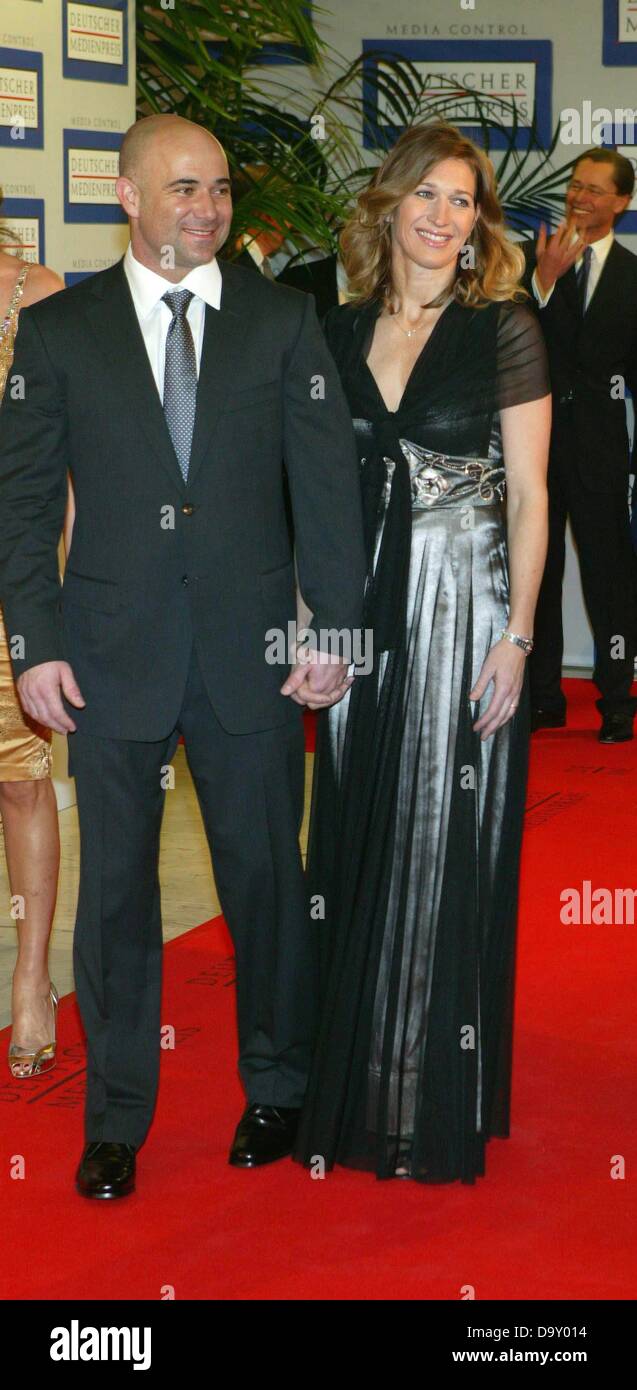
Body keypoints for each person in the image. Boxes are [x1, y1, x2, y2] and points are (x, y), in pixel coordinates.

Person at [0, 114, 366, 1199]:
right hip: (108, 656)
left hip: (254, 653)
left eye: (218, 190)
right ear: (126, 197)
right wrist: (36, 643)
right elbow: (21, 504)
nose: (206, 208)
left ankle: (279, 1085)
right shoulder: (60, 332)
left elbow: (327, 496)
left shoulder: (285, 323)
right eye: (182, 189)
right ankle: (114, 1117)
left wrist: (333, 629)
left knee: (265, 879)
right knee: (114, 897)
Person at [293, 120, 551, 1184]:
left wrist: (519, 638)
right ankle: (353, 1084)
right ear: (390, 203)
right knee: (360, 828)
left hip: (464, 602)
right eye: (429, 197)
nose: (446, 218)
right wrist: (314, 617)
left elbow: (534, 498)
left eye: (465, 202)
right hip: (364, 608)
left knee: (444, 836)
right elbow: (311, 492)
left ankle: (427, 1095)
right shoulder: (335, 325)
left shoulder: (501, 325)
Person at [523, 148, 637, 741]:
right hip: (530, 449)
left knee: (609, 577)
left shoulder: (632, 277)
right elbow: (501, 343)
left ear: (621, 202)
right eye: (575, 186)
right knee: (537, 573)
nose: (579, 198)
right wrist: (543, 284)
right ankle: (543, 695)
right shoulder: (526, 261)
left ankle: (618, 697)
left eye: (595, 190)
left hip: (601, 452)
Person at [0, 211, 64, 1079]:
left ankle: (31, 975)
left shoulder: (39, 297)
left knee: (19, 780)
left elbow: (75, 464)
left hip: (9, 579)